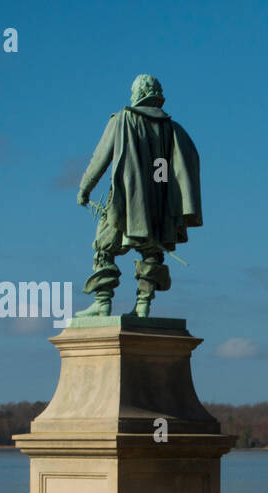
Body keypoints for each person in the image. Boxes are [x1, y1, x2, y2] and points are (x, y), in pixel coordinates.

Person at [74, 74, 202, 318]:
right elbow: (162, 167)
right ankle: (143, 304)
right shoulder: (168, 128)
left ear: (138, 93)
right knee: (152, 251)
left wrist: (84, 188)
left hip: (123, 203)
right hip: (155, 205)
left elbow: (100, 158)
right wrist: (157, 193)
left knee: (104, 246)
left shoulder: (122, 120)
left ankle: (103, 302)